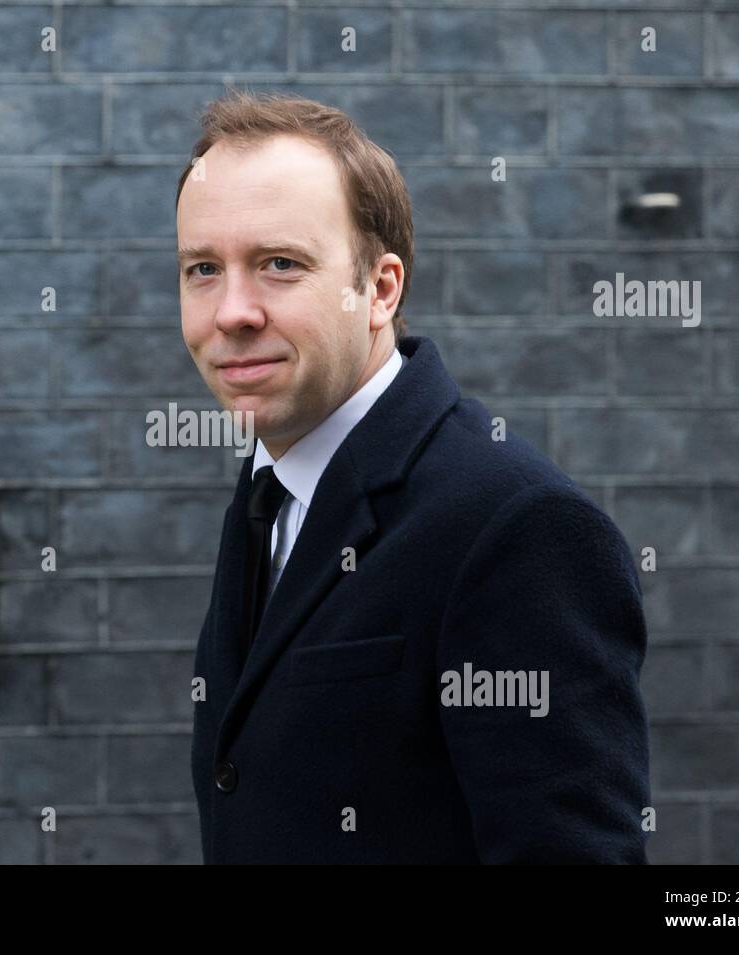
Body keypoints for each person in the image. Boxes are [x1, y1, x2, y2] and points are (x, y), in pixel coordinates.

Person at [177, 90, 651, 863]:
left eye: (280, 265)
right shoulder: (273, 482)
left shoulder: (518, 525)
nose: (232, 311)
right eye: (203, 268)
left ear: (380, 288)